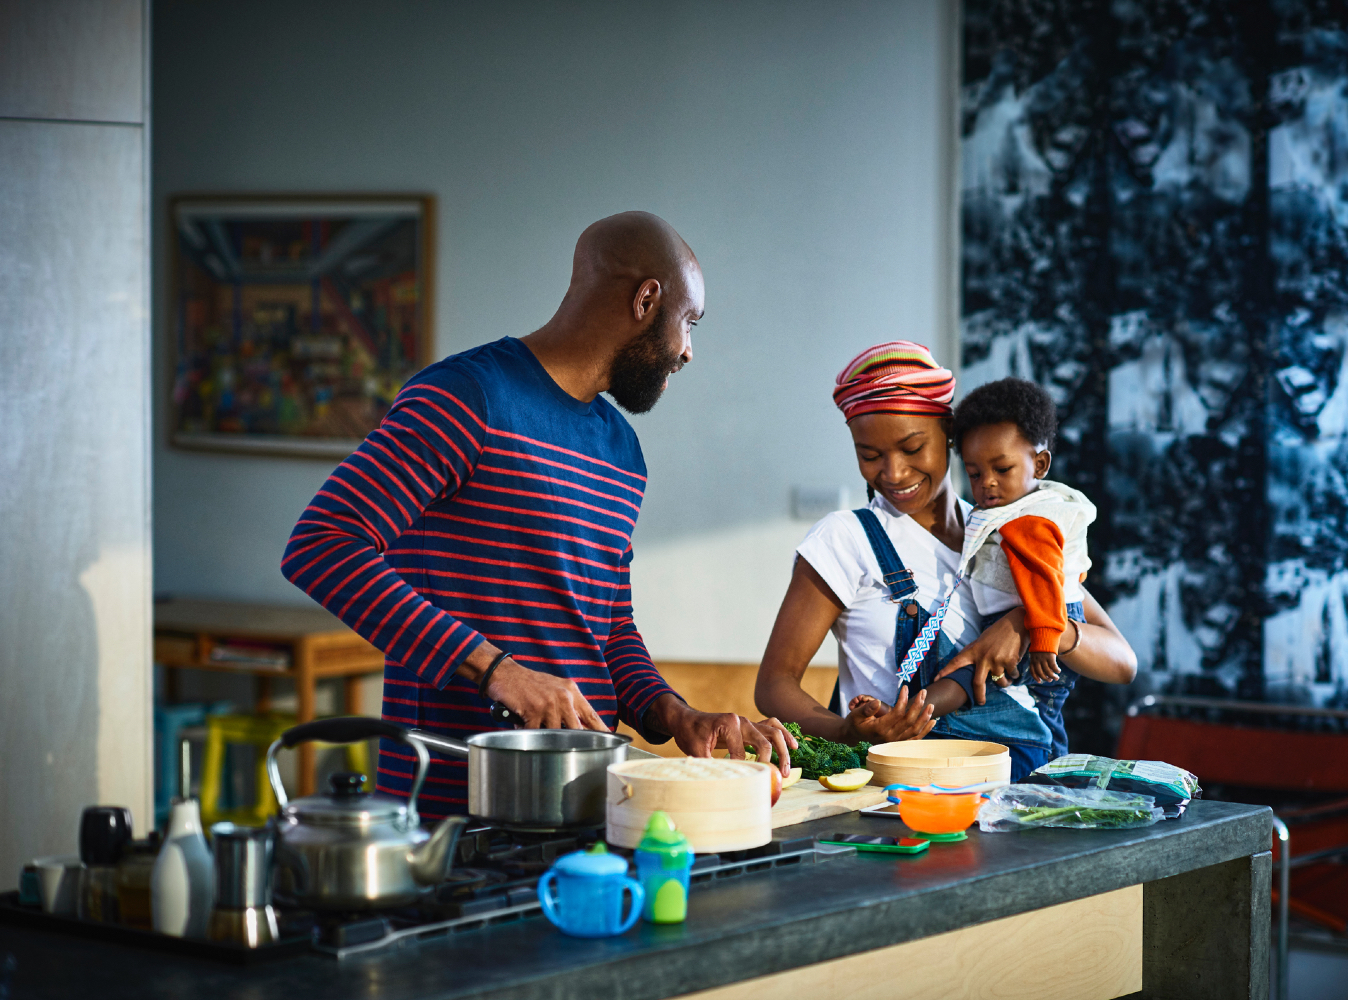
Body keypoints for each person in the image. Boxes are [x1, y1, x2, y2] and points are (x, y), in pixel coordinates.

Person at [282, 212, 795, 816]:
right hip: (453, 806)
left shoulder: (621, 451)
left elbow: (608, 629)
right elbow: (321, 545)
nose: (687, 351)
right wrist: (499, 672)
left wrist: (677, 713)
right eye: (689, 322)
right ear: (646, 299)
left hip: (585, 799)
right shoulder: (466, 396)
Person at [754, 343, 1137, 780]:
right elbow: (774, 685)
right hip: (899, 793)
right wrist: (846, 731)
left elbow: (1122, 662)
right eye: (870, 455)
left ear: (948, 434)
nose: (893, 473)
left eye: (912, 448)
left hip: (1016, 788)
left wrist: (1031, 624)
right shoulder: (846, 538)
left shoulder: (1006, 532)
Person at [927, 377, 1126, 757]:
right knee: (1037, 712)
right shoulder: (1004, 513)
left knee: (1039, 715)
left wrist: (1042, 635)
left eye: (1002, 469)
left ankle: (1051, 775)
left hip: (1045, 622)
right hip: (1038, 620)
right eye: (974, 473)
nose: (987, 484)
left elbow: (1043, 575)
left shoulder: (1029, 518)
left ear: (1040, 463)